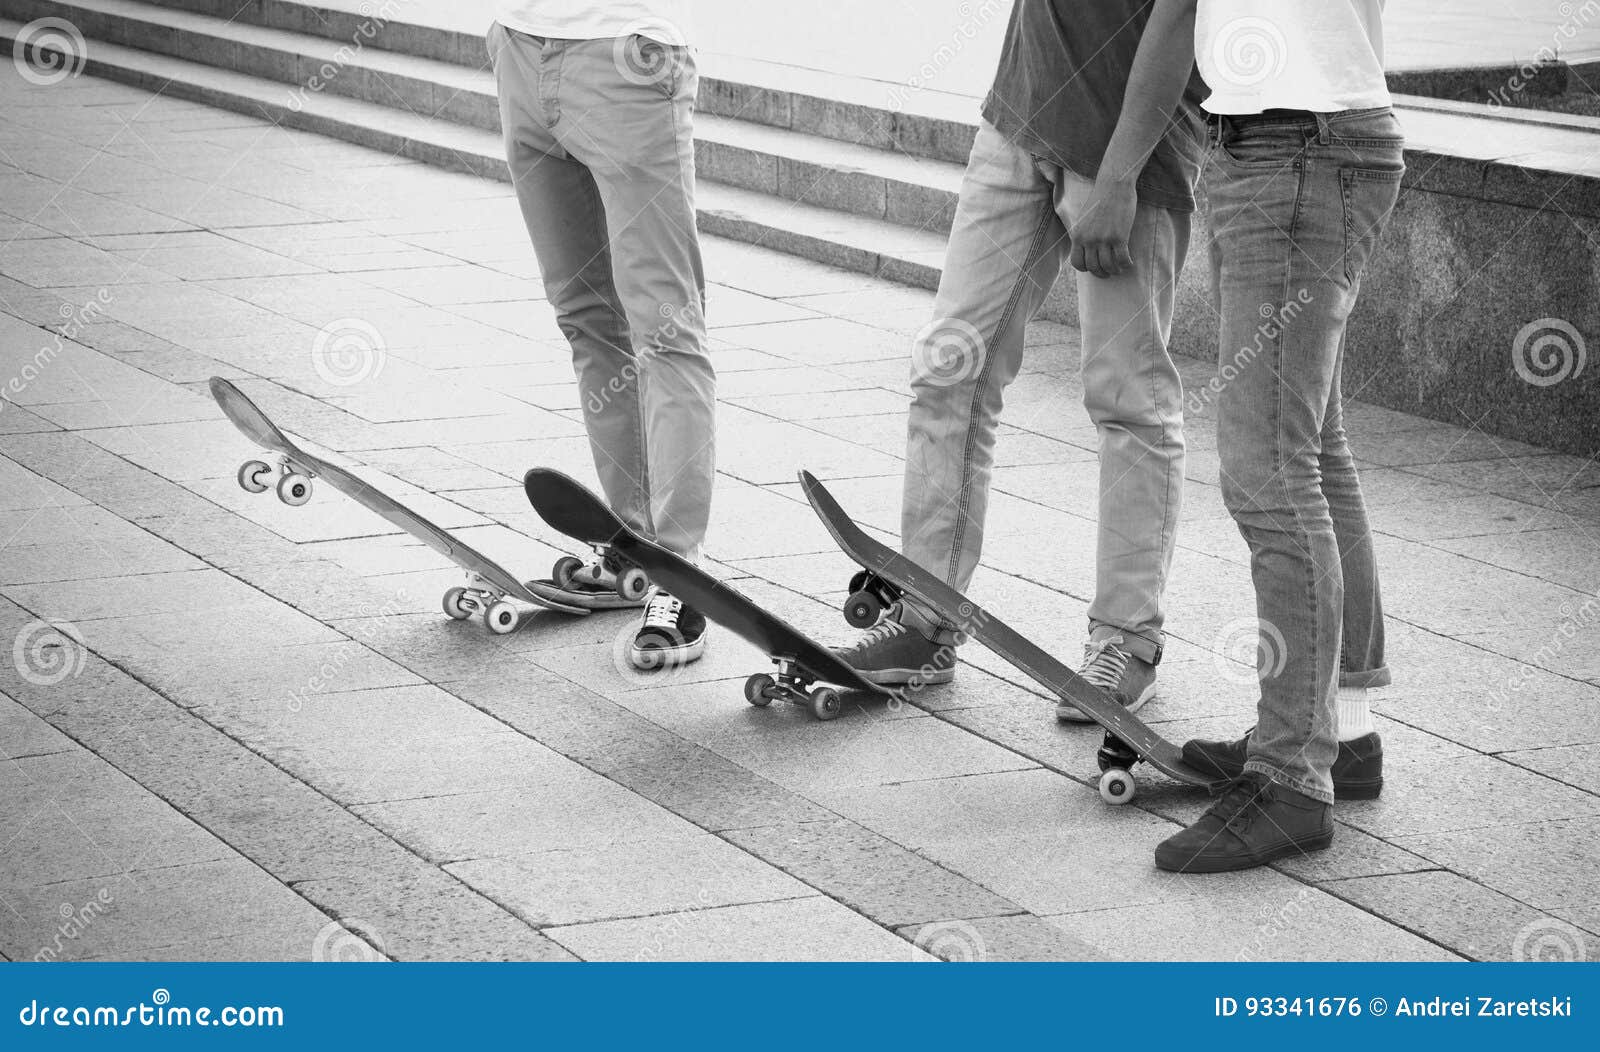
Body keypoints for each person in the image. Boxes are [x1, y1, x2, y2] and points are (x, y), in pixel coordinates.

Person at [1076, 0, 1401, 872]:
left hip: (1296, 145)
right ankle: (1344, 737)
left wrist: (1114, 175)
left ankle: (1292, 778)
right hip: (1308, 135)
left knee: (1270, 475)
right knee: (1315, 455)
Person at [836, 0, 1208, 723]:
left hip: (1129, 152)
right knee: (950, 367)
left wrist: (1121, 176)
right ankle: (926, 620)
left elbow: (1180, 14)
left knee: (1127, 396)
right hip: (1020, 118)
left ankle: (1127, 642)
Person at [487, 1, 713, 669]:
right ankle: (632, 547)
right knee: (585, 314)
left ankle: (678, 573)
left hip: (625, 54)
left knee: (665, 328)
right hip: (521, 46)